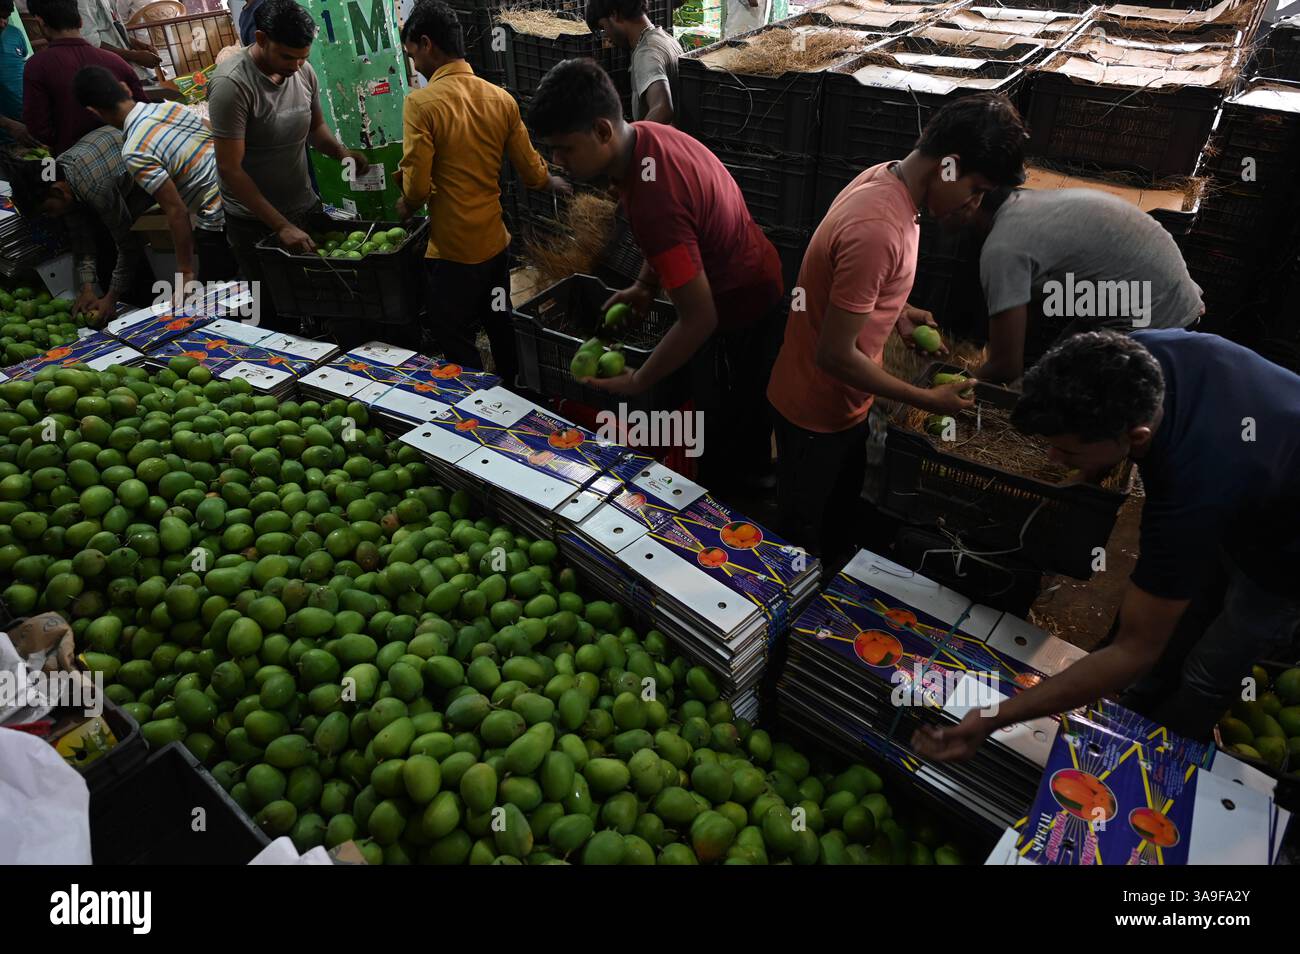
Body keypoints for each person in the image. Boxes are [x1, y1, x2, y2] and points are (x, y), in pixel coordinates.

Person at [912, 330, 1300, 756]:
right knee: (1183, 621)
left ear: (1136, 437)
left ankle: (1160, 756)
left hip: (1285, 546)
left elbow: (1134, 649)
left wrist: (993, 718)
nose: (1053, 462)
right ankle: (1136, 702)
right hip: (1258, 470)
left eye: (1069, 453)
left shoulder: (1192, 491)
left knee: (1209, 670)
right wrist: (1088, 465)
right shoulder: (1129, 359)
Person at [766, 94, 1028, 568]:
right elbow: (835, 355)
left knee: (833, 521)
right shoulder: (879, 228)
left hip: (833, 407)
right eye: (975, 188)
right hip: (816, 415)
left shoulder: (886, 179)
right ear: (947, 166)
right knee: (802, 545)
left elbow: (847, 279)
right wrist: (925, 399)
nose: (973, 204)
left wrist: (897, 309)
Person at [527, 58, 785, 487]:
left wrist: (640, 379)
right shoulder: (648, 137)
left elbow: (700, 318)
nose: (556, 161)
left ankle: (732, 522)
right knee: (745, 417)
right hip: (755, 280)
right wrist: (645, 284)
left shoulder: (652, 197)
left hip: (741, 305)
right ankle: (752, 479)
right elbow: (680, 239)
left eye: (565, 148)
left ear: (603, 131)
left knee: (721, 443)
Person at [396, 0, 568, 384]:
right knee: (498, 319)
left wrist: (405, 202)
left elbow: (418, 188)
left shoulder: (421, 105)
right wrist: (549, 181)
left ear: (427, 44)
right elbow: (530, 168)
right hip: (494, 244)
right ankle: (512, 388)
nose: (415, 65)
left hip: (454, 251)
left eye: (412, 55)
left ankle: (476, 400)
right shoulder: (501, 98)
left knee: (448, 328)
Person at [209, 0, 369, 332]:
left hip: (302, 207)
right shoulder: (232, 85)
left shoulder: (303, 72)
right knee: (277, 316)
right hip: (255, 223)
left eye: (303, 58)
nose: (296, 66)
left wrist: (342, 153)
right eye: (287, 57)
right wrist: (280, 226)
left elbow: (315, 129)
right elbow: (230, 168)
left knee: (326, 302)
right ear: (261, 38)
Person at [971, 187, 1206, 384]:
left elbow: (1005, 368)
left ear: (974, 202)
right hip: (1152, 295)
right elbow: (1028, 309)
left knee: (1045, 395)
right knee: (1049, 369)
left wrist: (960, 382)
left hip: (1153, 315)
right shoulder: (1030, 204)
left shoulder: (1003, 246)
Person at [74, 65, 235, 287]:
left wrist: (185, 272)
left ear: (94, 111)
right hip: (244, 195)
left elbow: (176, 211)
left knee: (217, 299)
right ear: (125, 88)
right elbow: (219, 138)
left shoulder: (134, 150)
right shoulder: (169, 107)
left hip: (218, 217)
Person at [2, 125, 151, 321]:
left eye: (48, 210)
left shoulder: (96, 188)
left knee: (132, 252)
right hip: (109, 162)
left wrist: (112, 298)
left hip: (144, 170)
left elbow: (128, 245)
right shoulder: (60, 175)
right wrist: (87, 289)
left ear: (57, 192)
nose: (53, 216)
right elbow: (81, 241)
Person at [22, 0, 145, 155]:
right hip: (131, 151)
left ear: (40, 22)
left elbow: (38, 127)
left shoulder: (36, 66)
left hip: (73, 159)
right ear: (81, 21)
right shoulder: (116, 61)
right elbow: (141, 104)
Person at [585, 0, 679, 124]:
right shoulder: (666, 39)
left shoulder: (646, 53)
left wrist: (635, 139)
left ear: (614, 15)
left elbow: (663, 109)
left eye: (603, 28)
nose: (606, 35)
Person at [76, 0, 160, 84]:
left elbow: (114, 27)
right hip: (109, 73)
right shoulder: (83, 2)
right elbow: (90, 41)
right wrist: (134, 56)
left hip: (127, 67)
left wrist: (135, 43)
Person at [0, 0, 39, 145]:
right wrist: (8, 124)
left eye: (6, 17)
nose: (2, 23)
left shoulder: (15, 34)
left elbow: (23, 64)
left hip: (24, 125)